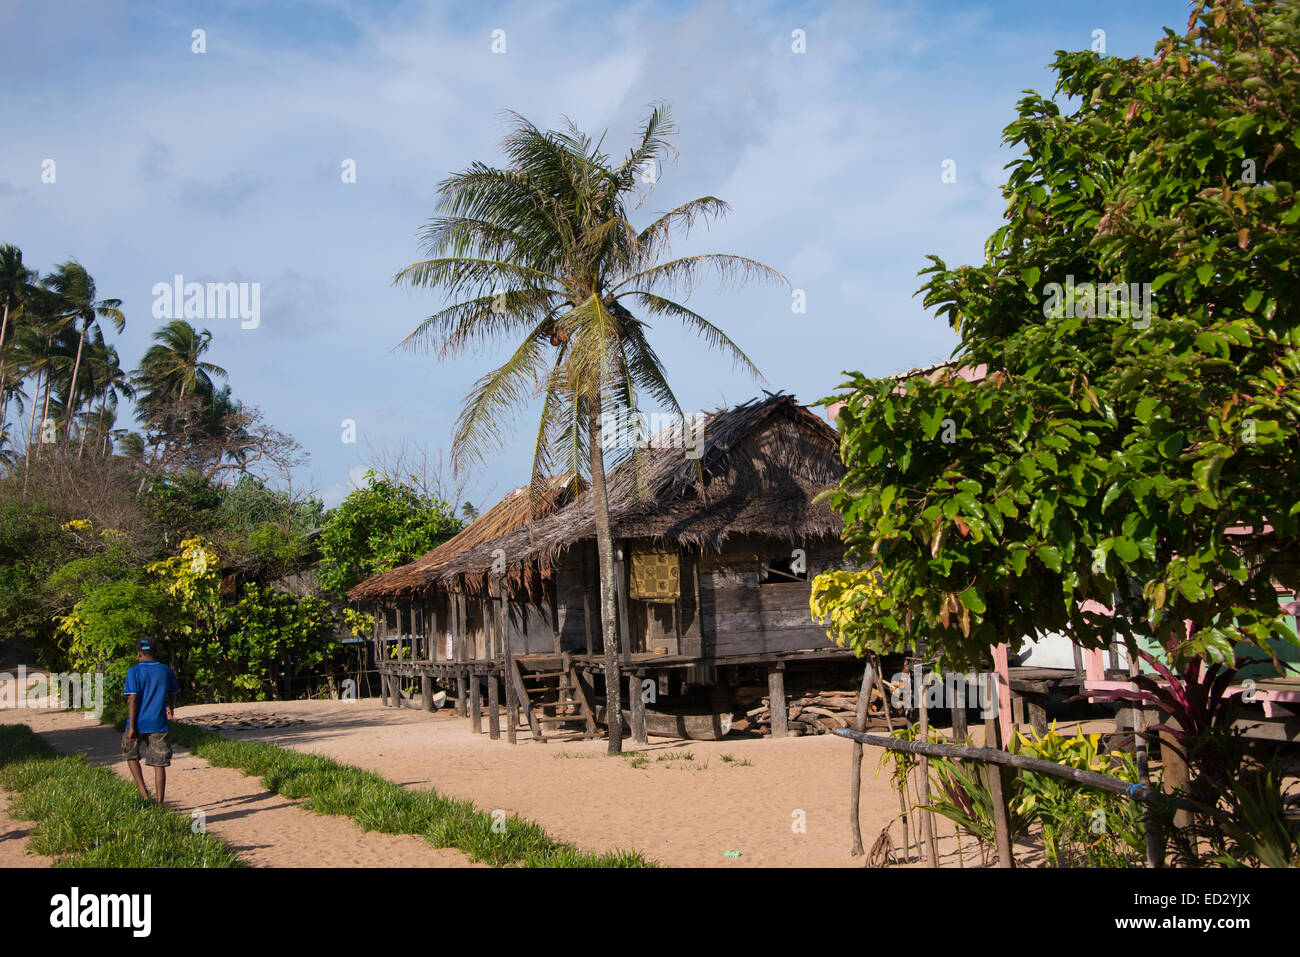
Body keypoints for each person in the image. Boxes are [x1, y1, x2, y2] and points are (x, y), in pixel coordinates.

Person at [122, 638, 179, 803]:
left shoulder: (134, 671)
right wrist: (170, 707)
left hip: (137, 723)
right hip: (158, 723)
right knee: (159, 763)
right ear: (155, 652)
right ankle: (160, 803)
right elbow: (173, 692)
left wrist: (132, 727)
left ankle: (144, 794)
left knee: (130, 755)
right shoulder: (165, 670)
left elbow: (133, 699)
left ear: (139, 652)